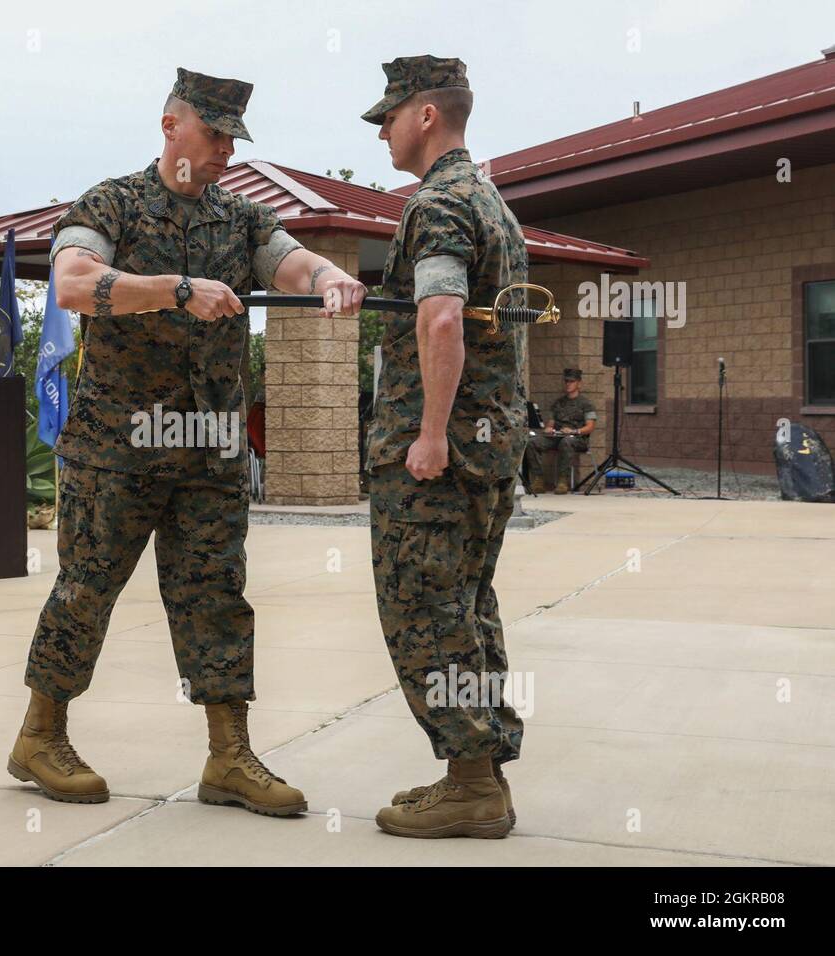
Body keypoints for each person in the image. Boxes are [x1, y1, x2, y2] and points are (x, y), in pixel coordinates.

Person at [9, 68, 367, 816]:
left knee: (216, 599)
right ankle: (40, 736)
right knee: (87, 592)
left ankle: (228, 756)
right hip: (117, 447)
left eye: (234, 137)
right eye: (215, 134)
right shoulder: (111, 203)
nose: (226, 150)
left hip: (209, 448)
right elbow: (73, 283)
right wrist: (174, 287)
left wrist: (329, 276)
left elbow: (290, 259)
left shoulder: (239, 218)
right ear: (171, 125)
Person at [362, 56, 526, 838]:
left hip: (444, 454)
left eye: (389, 115)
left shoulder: (439, 203)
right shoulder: (490, 200)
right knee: (467, 605)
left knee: (425, 609)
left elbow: (442, 318)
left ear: (426, 114)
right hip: (490, 447)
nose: (383, 130)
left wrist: (428, 434)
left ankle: (470, 781)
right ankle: (480, 770)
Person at [526, 368, 596, 493]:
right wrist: (549, 429)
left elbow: (590, 427)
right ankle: (538, 479)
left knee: (566, 441)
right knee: (532, 442)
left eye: (572, 381)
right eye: (566, 381)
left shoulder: (586, 404)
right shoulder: (558, 403)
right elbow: (551, 423)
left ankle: (563, 481)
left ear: (579, 383)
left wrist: (574, 431)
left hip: (577, 439)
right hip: (557, 437)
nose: (568, 384)